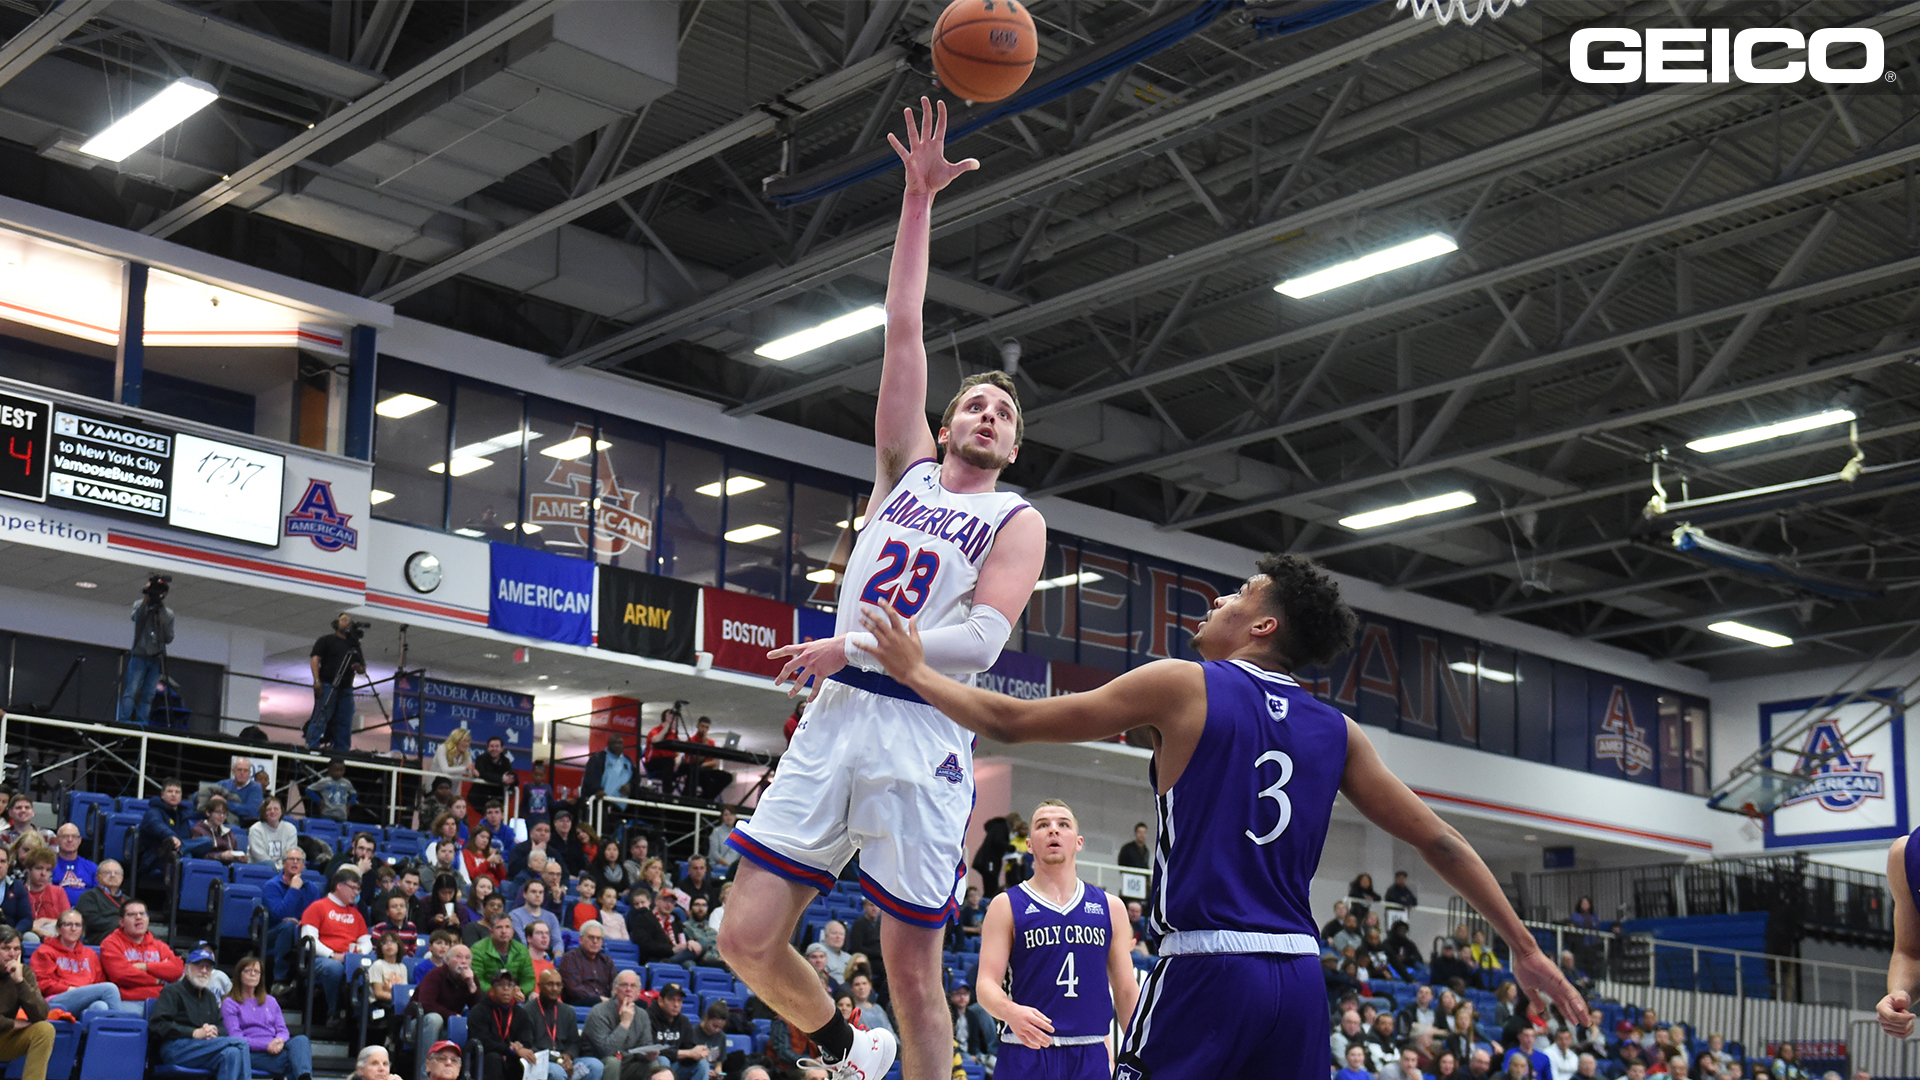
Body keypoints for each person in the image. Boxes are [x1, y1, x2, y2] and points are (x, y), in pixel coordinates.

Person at [853, 550, 1589, 1080]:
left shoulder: (1184, 684)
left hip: (1208, 968)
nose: (1219, 600)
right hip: (1300, 983)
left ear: (1262, 627)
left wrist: (916, 670)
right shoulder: (1336, 730)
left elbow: (1011, 722)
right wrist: (1522, 947)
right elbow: (1441, 838)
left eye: (1239, 594)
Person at [721, 100, 1052, 1080]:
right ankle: (844, 1052)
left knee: (912, 973)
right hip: (838, 717)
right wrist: (917, 200)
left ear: (1014, 446)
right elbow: (902, 326)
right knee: (742, 936)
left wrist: (858, 647)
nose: (989, 414)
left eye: (1006, 413)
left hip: (921, 730)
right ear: (946, 423)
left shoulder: (1015, 518)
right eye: (976, 403)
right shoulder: (901, 470)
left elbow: (984, 641)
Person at [971, 799, 1136, 1080]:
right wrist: (1010, 1012)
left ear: (1079, 841)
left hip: (1090, 1052)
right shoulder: (1006, 905)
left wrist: (1139, 1052)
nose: (1053, 830)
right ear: (1030, 844)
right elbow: (986, 985)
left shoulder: (1111, 907)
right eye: (1042, 825)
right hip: (1025, 1051)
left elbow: (1125, 989)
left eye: (1063, 824)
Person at [153, 947, 252, 1080]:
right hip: (175, 1048)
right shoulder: (172, 992)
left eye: (208, 967)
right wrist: (194, 1033)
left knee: (232, 1053)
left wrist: (215, 1030)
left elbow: (223, 1026)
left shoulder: (210, 997)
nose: (204, 971)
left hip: (203, 1048)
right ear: (187, 969)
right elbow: (158, 1025)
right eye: (199, 966)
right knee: (240, 1044)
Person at [300, 868, 371, 1027]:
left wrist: (356, 954)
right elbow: (307, 940)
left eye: (358, 889)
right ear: (339, 886)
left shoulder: (356, 914)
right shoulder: (318, 907)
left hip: (349, 959)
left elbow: (366, 942)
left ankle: (362, 1019)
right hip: (321, 960)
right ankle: (335, 1012)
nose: (356, 893)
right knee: (334, 967)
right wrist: (333, 955)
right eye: (353, 888)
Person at [224, 955, 312, 1080]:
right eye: (248, 971)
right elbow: (236, 1037)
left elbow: (282, 1030)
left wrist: (279, 1041)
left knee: (301, 1041)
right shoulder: (230, 1003)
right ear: (239, 975)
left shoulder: (270, 1001)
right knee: (295, 1061)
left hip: (275, 1049)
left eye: (257, 971)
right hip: (250, 1053)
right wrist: (267, 1045)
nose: (253, 974)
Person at [32, 908, 135, 1014]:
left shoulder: (90, 954)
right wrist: (71, 989)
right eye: (68, 924)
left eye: (77, 925)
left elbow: (99, 981)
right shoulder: (44, 951)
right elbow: (41, 983)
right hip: (57, 999)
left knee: (100, 1007)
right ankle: (117, 1027)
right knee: (110, 988)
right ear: (58, 929)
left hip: (85, 998)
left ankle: (90, 1030)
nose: (73, 929)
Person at [410, 944, 480, 1080]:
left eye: (467, 958)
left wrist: (472, 984)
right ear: (447, 961)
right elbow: (426, 1003)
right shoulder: (435, 975)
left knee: (471, 1023)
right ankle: (424, 1075)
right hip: (418, 1024)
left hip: (448, 1026)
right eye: (458, 957)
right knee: (435, 1019)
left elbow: (479, 1009)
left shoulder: (470, 978)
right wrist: (452, 1015)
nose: (463, 962)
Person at [529, 968, 605, 1080]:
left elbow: (574, 1042)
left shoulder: (568, 1011)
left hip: (565, 1060)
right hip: (541, 1062)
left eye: (558, 985)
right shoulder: (528, 1011)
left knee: (596, 1066)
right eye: (550, 984)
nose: (555, 988)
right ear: (539, 986)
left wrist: (569, 1056)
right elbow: (529, 1046)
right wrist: (558, 1060)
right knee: (557, 1072)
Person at [100, 899, 183, 1001]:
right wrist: (157, 980)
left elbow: (177, 969)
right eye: (132, 914)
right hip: (128, 1001)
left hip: (160, 1001)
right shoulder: (111, 943)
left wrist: (146, 966)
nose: (138, 917)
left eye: (142, 914)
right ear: (121, 922)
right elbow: (121, 975)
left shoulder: (159, 945)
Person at [262, 849, 321, 990]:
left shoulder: (311, 888)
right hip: (272, 934)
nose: (295, 862)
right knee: (288, 925)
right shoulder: (271, 886)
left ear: (304, 866)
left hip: (302, 931)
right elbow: (280, 915)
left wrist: (302, 922)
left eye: (299, 860)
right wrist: (293, 889)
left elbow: (318, 915)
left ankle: (307, 986)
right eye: (291, 859)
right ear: (283, 864)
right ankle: (279, 981)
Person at [117, 580, 174, 726]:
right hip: (139, 655)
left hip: (156, 658)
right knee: (131, 690)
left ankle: (142, 722)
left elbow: (169, 638)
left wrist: (160, 612)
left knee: (148, 694)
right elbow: (136, 618)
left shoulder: (167, 613)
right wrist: (147, 599)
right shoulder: (139, 605)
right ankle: (123, 721)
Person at [583, 970, 657, 1080]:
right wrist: (625, 1023)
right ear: (616, 990)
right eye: (624, 985)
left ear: (638, 992)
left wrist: (648, 1054)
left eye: (633, 986)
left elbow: (644, 1045)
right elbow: (606, 1051)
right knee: (613, 1062)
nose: (628, 989)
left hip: (628, 1063)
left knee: (655, 1064)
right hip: (600, 1062)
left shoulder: (642, 1014)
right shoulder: (598, 1012)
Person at [308, 613, 365, 752]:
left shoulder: (353, 645)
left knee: (345, 721)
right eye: (344, 620)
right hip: (328, 684)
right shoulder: (326, 640)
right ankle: (311, 747)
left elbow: (362, 669)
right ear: (336, 623)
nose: (347, 623)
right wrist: (316, 681)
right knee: (321, 717)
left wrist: (358, 668)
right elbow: (315, 660)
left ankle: (342, 751)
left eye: (349, 621)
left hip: (346, 688)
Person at [468, 968, 537, 1080]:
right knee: (494, 1059)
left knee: (527, 1060)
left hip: (512, 1057)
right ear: (493, 989)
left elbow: (527, 1039)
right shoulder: (479, 1010)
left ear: (515, 989)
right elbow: (482, 1041)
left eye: (509, 985)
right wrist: (509, 1049)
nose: (506, 989)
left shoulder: (521, 1013)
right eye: (500, 985)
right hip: (485, 1059)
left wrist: (519, 1046)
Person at [140, 779, 210, 876]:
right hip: (157, 857)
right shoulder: (153, 812)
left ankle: (181, 850)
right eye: (170, 791)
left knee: (207, 841)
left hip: (177, 857)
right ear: (162, 795)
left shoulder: (183, 814)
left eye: (177, 792)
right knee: (187, 856)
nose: (174, 795)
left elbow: (198, 815)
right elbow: (157, 825)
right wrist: (172, 837)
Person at [630, 887, 700, 968]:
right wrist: (672, 950)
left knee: (690, 962)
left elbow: (682, 939)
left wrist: (689, 943)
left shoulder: (676, 921)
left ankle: (668, 962)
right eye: (665, 900)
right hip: (656, 958)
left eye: (672, 902)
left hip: (677, 957)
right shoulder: (644, 919)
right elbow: (645, 945)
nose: (668, 904)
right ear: (656, 901)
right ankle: (667, 963)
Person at [648, 984, 704, 1080]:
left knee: (702, 1064)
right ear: (660, 1001)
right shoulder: (648, 1017)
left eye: (679, 1001)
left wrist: (698, 1053)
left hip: (676, 1067)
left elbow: (689, 1047)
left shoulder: (683, 1021)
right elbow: (653, 1050)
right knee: (663, 1061)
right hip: (653, 1067)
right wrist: (688, 1053)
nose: (676, 1005)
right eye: (671, 1000)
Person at [474, 913, 536, 998]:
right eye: (499, 927)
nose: (504, 931)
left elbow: (529, 979)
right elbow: (477, 979)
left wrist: (521, 990)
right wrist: (497, 993)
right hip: (487, 998)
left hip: (515, 998)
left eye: (507, 927)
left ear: (513, 931)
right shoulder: (478, 949)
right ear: (491, 931)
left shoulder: (522, 950)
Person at [558, 920, 616, 1006]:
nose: (595, 941)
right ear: (581, 939)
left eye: (598, 938)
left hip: (604, 1002)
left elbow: (615, 985)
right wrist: (598, 999)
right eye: (591, 937)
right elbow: (574, 989)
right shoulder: (570, 958)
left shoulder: (607, 961)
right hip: (578, 1001)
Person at [17, 848, 65, 942]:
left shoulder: (58, 891)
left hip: (53, 932)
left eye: (48, 870)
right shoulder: (20, 891)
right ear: (28, 869)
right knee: (30, 937)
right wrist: (35, 928)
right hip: (28, 933)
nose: (43, 874)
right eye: (39, 868)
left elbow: (67, 920)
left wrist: (43, 921)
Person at [74, 859, 125, 945]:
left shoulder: (128, 901)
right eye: (107, 872)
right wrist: (123, 924)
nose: (112, 875)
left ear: (122, 878)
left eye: (117, 873)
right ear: (98, 877)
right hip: (99, 940)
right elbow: (92, 921)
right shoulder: (89, 896)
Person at [583, 736, 637, 807]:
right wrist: (597, 790)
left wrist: (630, 786)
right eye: (614, 743)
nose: (617, 745)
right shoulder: (598, 758)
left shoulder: (628, 762)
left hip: (621, 805)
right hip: (600, 803)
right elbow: (590, 778)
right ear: (608, 744)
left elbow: (636, 780)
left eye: (620, 743)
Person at [49, 823, 95, 904]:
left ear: (79, 840)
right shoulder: (48, 864)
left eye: (74, 836)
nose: (70, 840)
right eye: (65, 836)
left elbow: (98, 896)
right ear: (57, 840)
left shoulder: (91, 867)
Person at [193, 797, 247, 864]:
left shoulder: (228, 833)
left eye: (224, 813)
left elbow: (234, 851)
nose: (222, 816)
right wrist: (221, 856)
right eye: (218, 812)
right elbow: (198, 856)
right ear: (208, 813)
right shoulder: (198, 830)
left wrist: (239, 858)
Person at [472, 737, 519, 812]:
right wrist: (501, 779)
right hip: (479, 798)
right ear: (487, 748)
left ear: (502, 749)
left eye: (497, 746)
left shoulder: (506, 761)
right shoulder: (481, 759)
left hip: (498, 798)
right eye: (492, 746)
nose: (494, 749)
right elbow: (482, 774)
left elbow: (513, 777)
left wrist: (510, 779)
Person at [249, 798, 300, 867]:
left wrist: (281, 867)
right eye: (269, 809)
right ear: (264, 812)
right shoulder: (255, 829)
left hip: (284, 867)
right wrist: (276, 867)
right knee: (268, 864)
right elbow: (260, 856)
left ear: (281, 811)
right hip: (261, 867)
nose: (272, 812)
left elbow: (289, 853)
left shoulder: (290, 829)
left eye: (276, 809)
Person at [214, 758, 266, 824]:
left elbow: (252, 812)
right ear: (233, 771)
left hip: (244, 828)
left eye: (245, 771)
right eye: (239, 770)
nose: (242, 773)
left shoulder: (255, 787)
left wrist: (225, 803)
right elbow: (203, 794)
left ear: (249, 773)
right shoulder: (223, 784)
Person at [306, 758, 357, 823]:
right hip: (327, 813)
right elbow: (309, 790)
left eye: (341, 770)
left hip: (342, 815)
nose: (339, 773)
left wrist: (349, 805)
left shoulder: (346, 783)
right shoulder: (325, 781)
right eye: (336, 770)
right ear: (330, 770)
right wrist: (319, 801)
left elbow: (354, 794)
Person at [848, 971, 891, 1036]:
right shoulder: (853, 1010)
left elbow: (889, 1029)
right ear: (851, 988)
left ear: (870, 986)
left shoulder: (878, 1008)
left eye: (864, 983)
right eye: (857, 984)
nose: (861, 987)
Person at [707, 807, 740, 878]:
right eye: (726, 815)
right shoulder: (716, 831)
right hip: (717, 868)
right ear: (722, 817)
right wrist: (727, 865)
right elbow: (714, 853)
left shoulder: (738, 833)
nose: (729, 817)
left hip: (733, 870)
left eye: (731, 814)